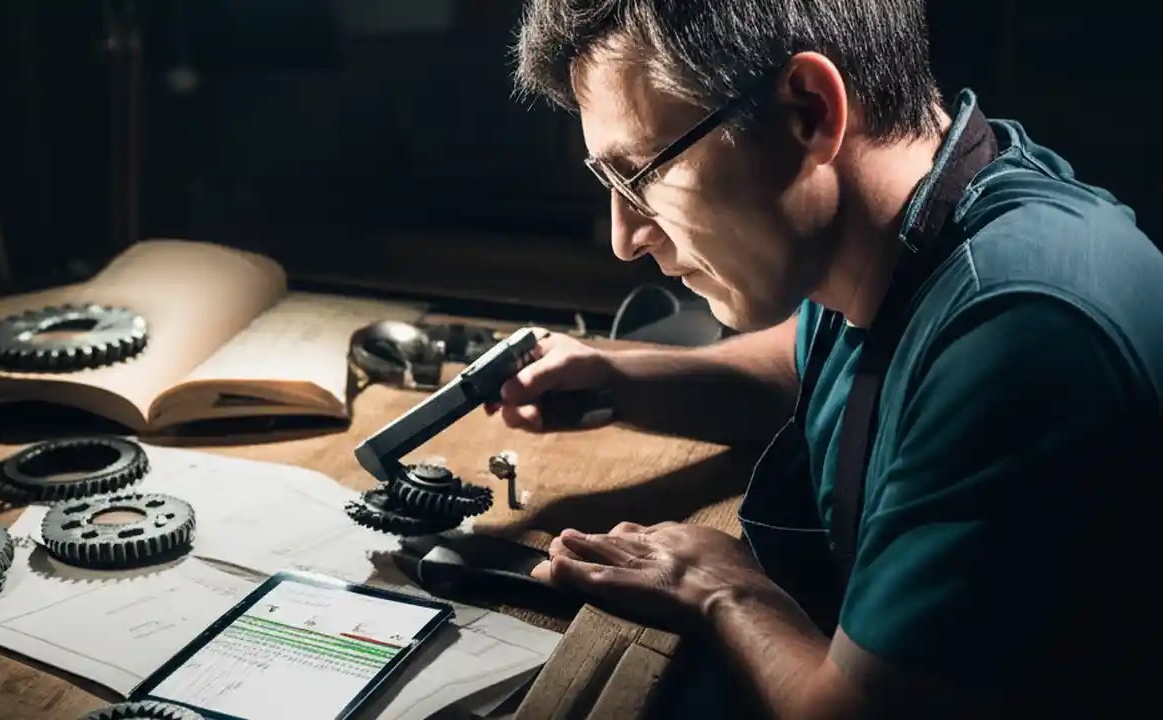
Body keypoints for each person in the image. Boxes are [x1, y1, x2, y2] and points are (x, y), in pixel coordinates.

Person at [490, 1, 1163, 717]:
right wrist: (619, 380)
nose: (627, 236)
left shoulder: (1022, 337)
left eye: (642, 173)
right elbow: (818, 366)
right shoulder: (921, 222)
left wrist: (727, 589)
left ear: (809, 112)